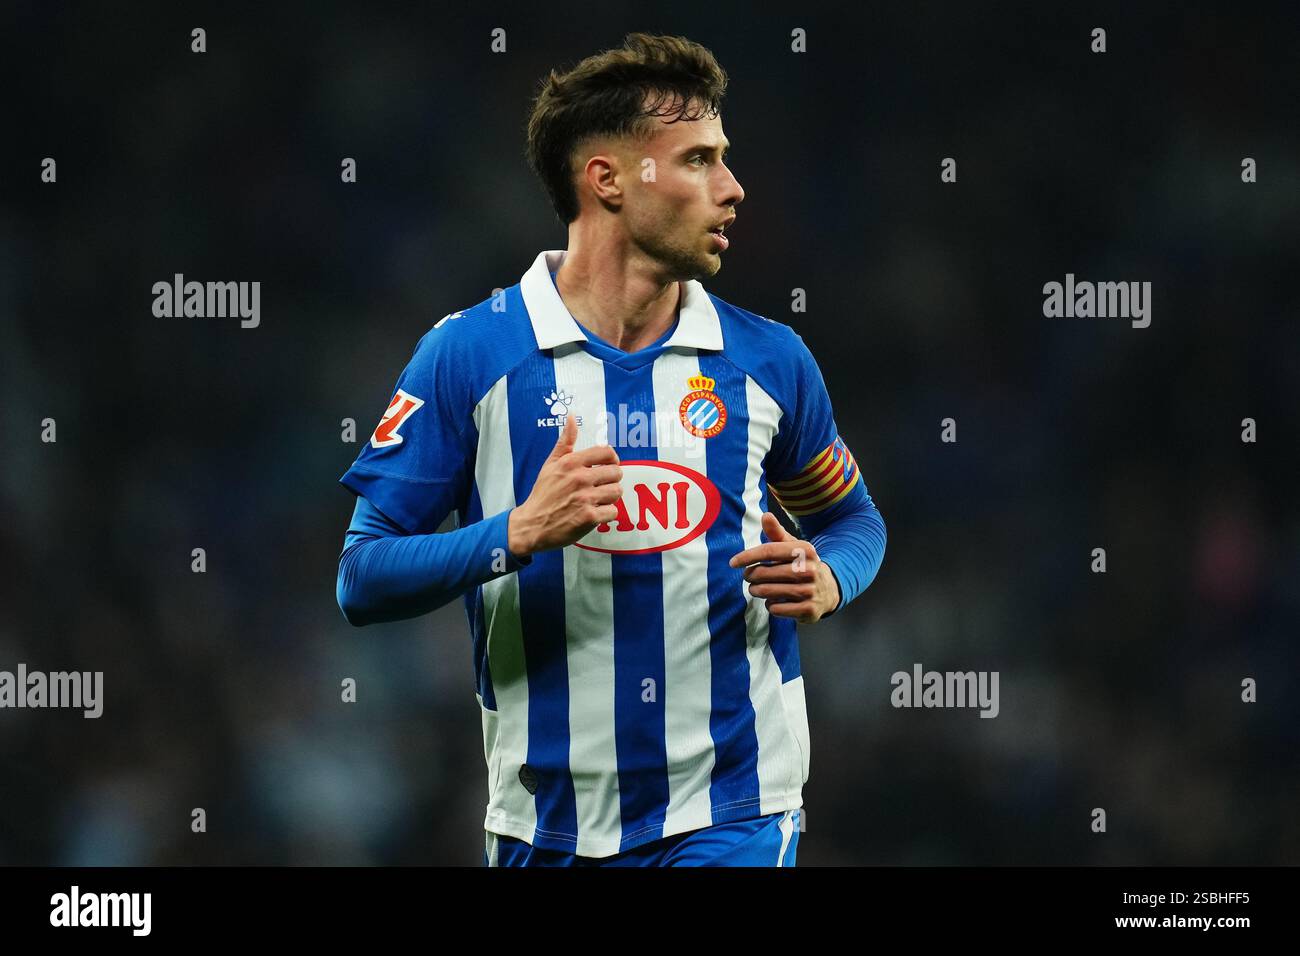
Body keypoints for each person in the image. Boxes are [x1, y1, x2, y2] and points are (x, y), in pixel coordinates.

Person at [336, 32, 886, 867]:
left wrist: (829, 577)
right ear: (609, 180)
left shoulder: (770, 362)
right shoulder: (469, 357)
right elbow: (361, 579)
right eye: (700, 160)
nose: (734, 189)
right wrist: (513, 535)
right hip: (542, 825)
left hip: (732, 808)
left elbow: (854, 520)